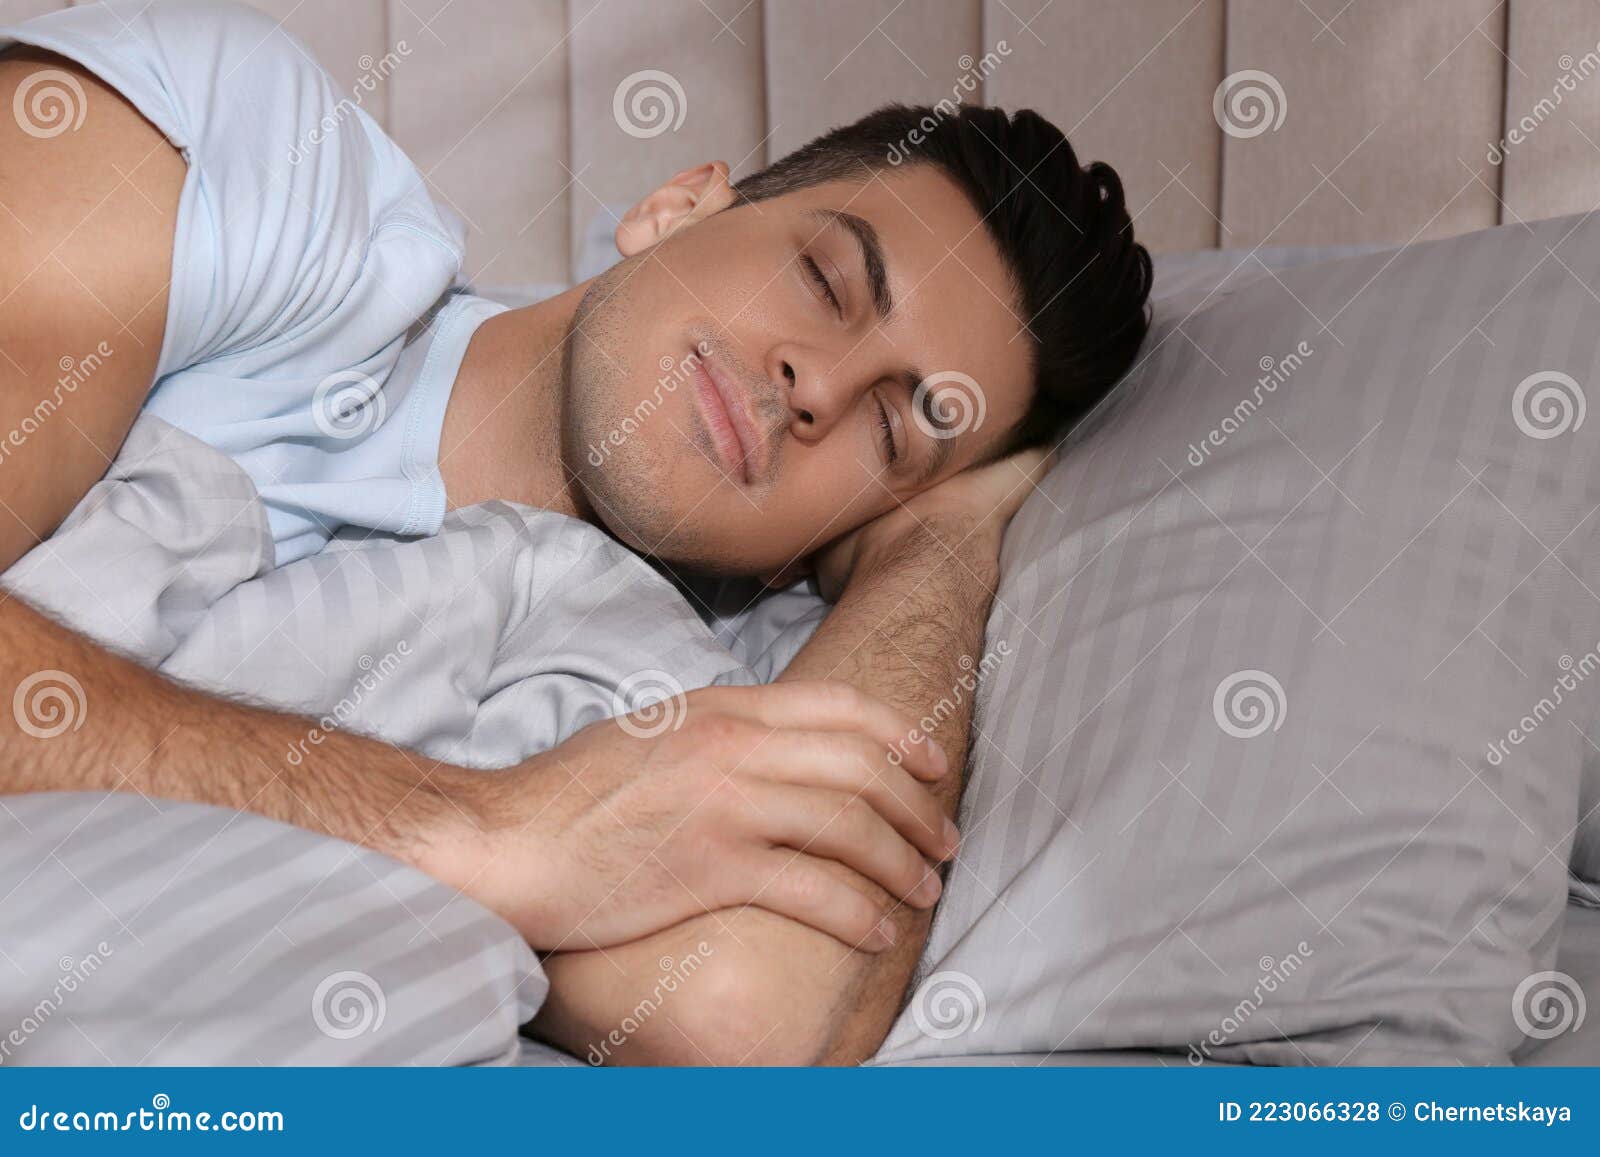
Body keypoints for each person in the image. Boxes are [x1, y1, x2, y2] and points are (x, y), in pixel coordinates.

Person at [0, 1, 1151, 1064]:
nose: (819, 385)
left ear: (826, 547)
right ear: (678, 207)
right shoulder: (250, 161)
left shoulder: (647, 694)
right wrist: (484, 832)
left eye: (895, 431)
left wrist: (936, 550)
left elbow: (755, 1011)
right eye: (825, 279)